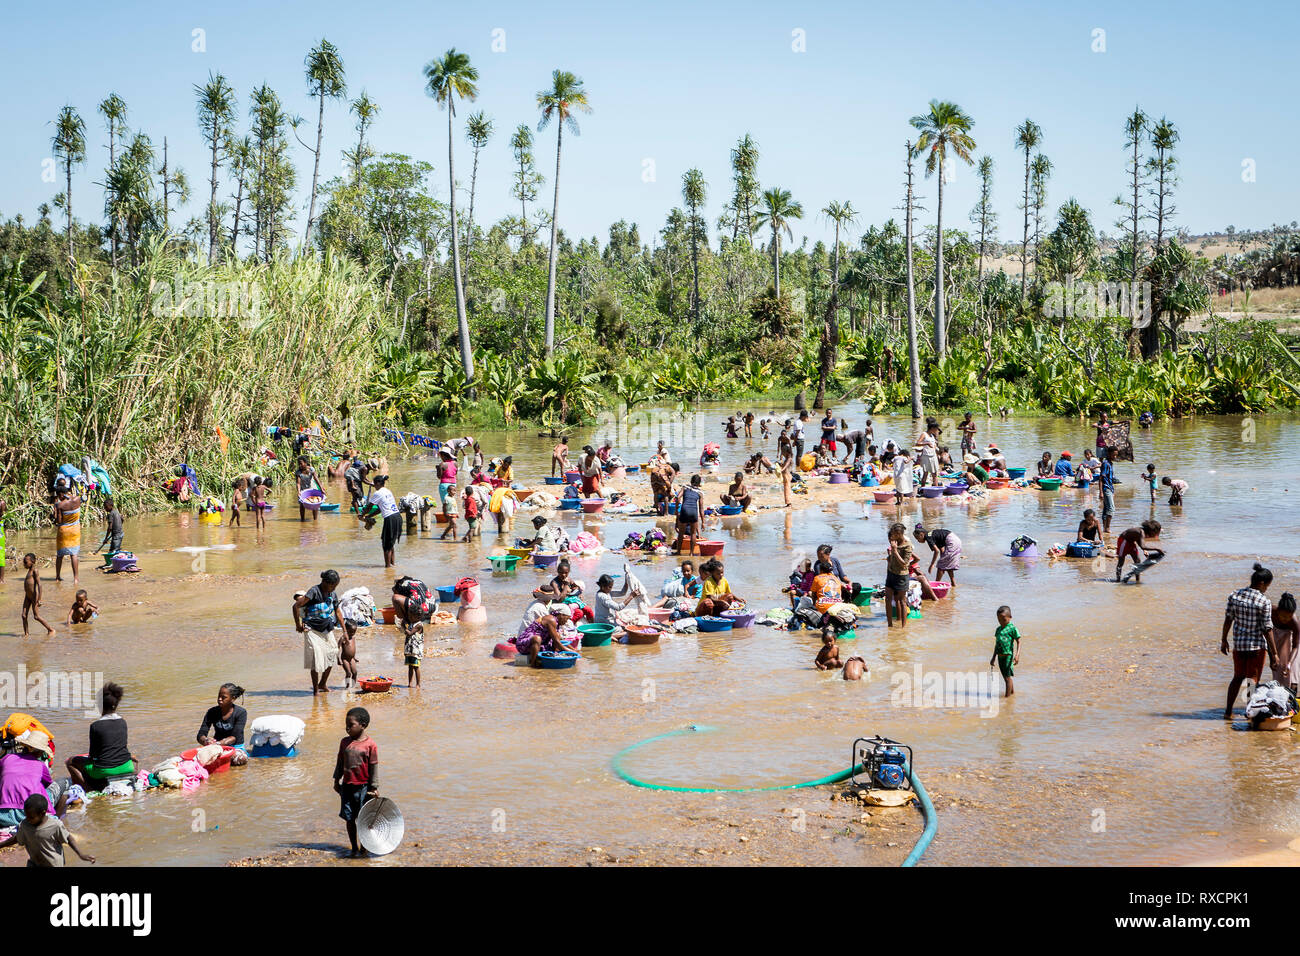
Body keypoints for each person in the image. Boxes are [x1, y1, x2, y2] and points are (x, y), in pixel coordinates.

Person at [1221, 563, 1280, 720]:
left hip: (1239, 646)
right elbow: (1267, 629)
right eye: (1267, 585)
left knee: (1237, 677)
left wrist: (1223, 640)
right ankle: (1249, 713)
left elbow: (1228, 619)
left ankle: (1228, 712)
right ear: (1261, 583)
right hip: (1256, 647)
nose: (1267, 588)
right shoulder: (1263, 601)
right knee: (1252, 680)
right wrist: (1274, 654)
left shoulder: (1235, 595)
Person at [66, 682, 135, 791]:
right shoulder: (123, 722)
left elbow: (93, 756)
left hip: (104, 770)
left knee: (70, 761)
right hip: (127, 766)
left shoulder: (95, 726)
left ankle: (88, 789)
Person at [0, 794, 95, 866]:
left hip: (53, 864)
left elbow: (68, 838)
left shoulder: (55, 825)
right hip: (34, 863)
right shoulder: (24, 825)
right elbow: (16, 839)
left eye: (31, 817)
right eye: (26, 816)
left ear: (43, 813)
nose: (28, 819)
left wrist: (81, 854)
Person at [333, 707, 378, 856]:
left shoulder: (370, 744)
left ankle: (364, 848)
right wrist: (336, 780)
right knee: (349, 818)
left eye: (350, 725)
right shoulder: (344, 742)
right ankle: (353, 848)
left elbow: (373, 766)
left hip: (364, 788)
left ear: (363, 725)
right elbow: (340, 761)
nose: (347, 728)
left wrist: (374, 787)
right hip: (347, 786)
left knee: (364, 820)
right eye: (346, 724)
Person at [0, 730, 65, 829]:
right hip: (28, 814)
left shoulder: (7, 758)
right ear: (40, 752)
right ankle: (57, 825)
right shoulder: (40, 765)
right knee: (63, 783)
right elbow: (48, 784)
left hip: (3, 815)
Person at [294, 570, 344, 695]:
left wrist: (345, 630)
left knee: (332, 654)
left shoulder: (332, 594)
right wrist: (298, 625)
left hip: (327, 628)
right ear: (326, 582)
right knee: (316, 660)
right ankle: (315, 690)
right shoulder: (314, 591)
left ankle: (323, 684)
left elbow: (337, 611)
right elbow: (296, 606)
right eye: (333, 585)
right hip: (312, 629)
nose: (334, 588)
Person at [513, 603, 578, 666]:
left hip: (540, 644)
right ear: (561, 615)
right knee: (537, 638)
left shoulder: (556, 622)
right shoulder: (551, 620)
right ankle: (533, 664)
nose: (566, 621)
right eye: (566, 618)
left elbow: (558, 640)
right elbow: (557, 642)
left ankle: (543, 660)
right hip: (523, 645)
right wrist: (572, 652)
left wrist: (572, 649)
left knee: (557, 636)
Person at [366, 474, 401, 567]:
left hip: (390, 518)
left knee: (386, 545)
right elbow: (380, 509)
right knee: (390, 543)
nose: (374, 486)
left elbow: (369, 506)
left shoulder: (378, 493)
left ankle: (387, 568)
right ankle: (392, 565)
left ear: (377, 483)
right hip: (397, 516)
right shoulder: (387, 491)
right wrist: (369, 516)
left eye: (374, 484)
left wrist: (362, 514)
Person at [53, 482, 82, 585]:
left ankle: (57, 577)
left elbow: (59, 521)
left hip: (64, 531)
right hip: (75, 530)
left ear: (61, 494)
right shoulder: (77, 499)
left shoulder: (60, 505)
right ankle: (76, 579)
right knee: (74, 554)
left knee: (60, 555)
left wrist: (55, 511)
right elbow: (73, 500)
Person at [884, 523, 913, 629]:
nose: (892, 537)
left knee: (902, 601)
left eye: (893, 534)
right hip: (891, 574)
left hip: (901, 576)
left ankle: (903, 627)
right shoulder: (894, 542)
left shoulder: (907, 545)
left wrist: (895, 551)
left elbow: (905, 564)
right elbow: (892, 559)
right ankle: (889, 625)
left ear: (899, 534)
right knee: (887, 599)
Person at [1271, 594, 1300, 691]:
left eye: (1289, 616)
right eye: (1283, 616)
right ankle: (1279, 700)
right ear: (1278, 611)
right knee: (1278, 670)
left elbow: (1295, 646)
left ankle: (1292, 702)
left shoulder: (1295, 622)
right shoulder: (1271, 611)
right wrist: (1272, 656)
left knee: (1292, 672)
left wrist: (1290, 663)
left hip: (1292, 642)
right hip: (1277, 639)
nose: (1286, 619)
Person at [990, 605, 1020, 697]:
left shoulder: (1012, 628)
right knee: (1007, 678)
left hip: (1008, 656)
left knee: (1007, 679)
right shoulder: (998, 630)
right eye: (999, 619)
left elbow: (1019, 641)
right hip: (1000, 657)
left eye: (1003, 619)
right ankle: (1012, 694)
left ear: (1010, 617)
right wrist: (993, 657)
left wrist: (1017, 655)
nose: (1001, 622)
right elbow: (997, 644)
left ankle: (1007, 699)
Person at [22, 553, 54, 637]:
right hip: (27, 596)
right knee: (24, 615)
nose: (24, 564)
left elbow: (39, 585)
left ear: (32, 562)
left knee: (36, 616)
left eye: (26, 562)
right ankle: (26, 634)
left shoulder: (35, 571)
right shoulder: (29, 571)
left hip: (33, 597)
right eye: (24, 562)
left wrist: (39, 599)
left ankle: (51, 629)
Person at [295, 457, 323, 523]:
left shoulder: (311, 469)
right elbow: (298, 483)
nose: (300, 465)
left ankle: (315, 520)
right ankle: (302, 520)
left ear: (305, 463)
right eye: (299, 464)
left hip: (311, 488)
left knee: (315, 504)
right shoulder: (298, 472)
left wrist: (321, 488)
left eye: (301, 463)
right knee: (302, 504)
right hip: (303, 489)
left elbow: (316, 479)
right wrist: (299, 492)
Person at [1099, 447, 1117, 534]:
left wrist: (1113, 490)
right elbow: (1101, 478)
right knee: (1111, 508)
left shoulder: (1110, 464)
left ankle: (1105, 528)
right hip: (1106, 488)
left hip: (1110, 488)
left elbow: (1110, 479)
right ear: (1109, 454)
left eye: (1116, 455)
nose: (1115, 457)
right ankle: (1107, 527)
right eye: (1114, 455)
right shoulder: (1105, 464)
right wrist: (1101, 492)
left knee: (1106, 509)